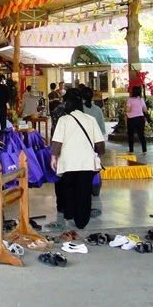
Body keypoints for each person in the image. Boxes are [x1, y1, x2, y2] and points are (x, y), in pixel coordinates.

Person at [50, 88, 105, 230]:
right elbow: (100, 143)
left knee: (69, 189)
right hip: (86, 162)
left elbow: (57, 141)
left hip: (69, 162)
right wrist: (100, 155)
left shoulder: (63, 120)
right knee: (84, 191)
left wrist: (53, 158)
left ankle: (69, 214)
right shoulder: (90, 119)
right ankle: (82, 221)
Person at [126, 85, 149, 154]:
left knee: (131, 135)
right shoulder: (141, 100)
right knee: (141, 134)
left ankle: (131, 150)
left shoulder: (130, 100)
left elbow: (128, 109)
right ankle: (144, 150)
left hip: (131, 119)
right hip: (140, 118)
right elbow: (145, 109)